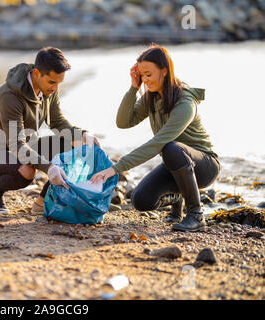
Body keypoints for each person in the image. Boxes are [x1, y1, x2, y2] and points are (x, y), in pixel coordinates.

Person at [91, 43, 220, 232]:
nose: (145, 79)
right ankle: (178, 199)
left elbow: (158, 143)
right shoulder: (152, 97)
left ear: (165, 71)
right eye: (142, 75)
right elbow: (124, 122)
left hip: (204, 166)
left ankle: (196, 215)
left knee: (170, 148)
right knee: (141, 200)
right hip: (175, 162)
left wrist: (116, 168)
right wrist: (134, 87)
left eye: (148, 74)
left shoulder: (185, 102)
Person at [0, 47, 99, 214]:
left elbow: (57, 122)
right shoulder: (10, 96)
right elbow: (16, 145)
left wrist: (83, 135)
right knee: (27, 173)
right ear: (36, 74)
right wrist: (49, 168)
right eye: (52, 82)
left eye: (59, 83)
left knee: (73, 149)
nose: (55, 88)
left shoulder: (48, 89)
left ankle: (42, 203)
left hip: (27, 144)